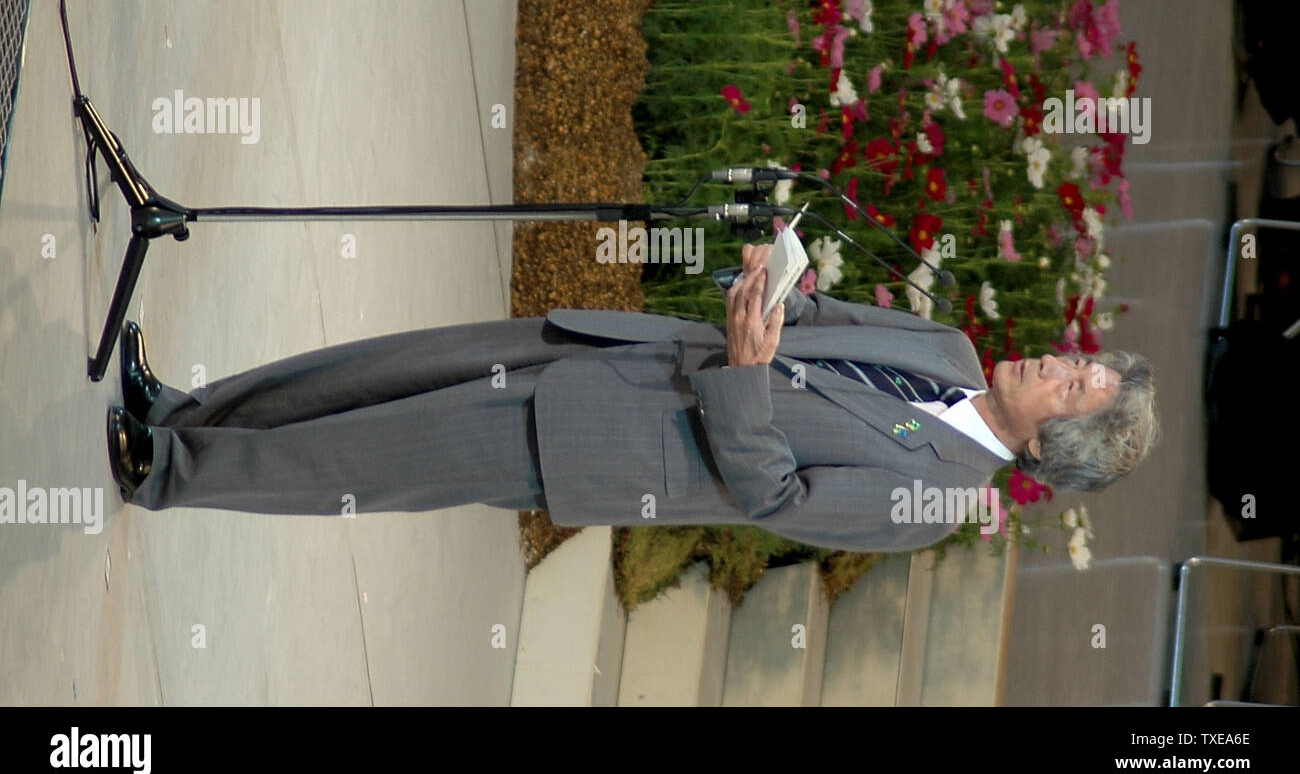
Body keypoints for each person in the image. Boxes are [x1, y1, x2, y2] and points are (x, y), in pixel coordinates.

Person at [106, 243, 1159, 552]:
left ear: (1053, 443)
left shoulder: (936, 500)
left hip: (601, 442)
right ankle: (186, 413)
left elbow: (777, 497)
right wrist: (768, 280)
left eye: (1074, 383)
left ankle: (168, 472)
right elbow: (814, 315)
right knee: (383, 370)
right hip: (618, 351)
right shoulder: (948, 345)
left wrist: (745, 375)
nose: (1055, 361)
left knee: (374, 456)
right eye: (1077, 357)